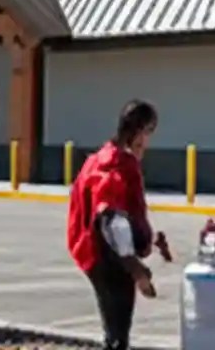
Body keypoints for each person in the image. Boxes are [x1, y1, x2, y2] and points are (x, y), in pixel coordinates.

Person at [67, 99, 172, 350]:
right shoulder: (119, 165)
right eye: (148, 132)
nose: (148, 141)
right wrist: (135, 268)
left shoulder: (99, 158)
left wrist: (149, 239)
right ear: (139, 131)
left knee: (113, 330)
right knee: (118, 335)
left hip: (93, 252)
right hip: (109, 257)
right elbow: (112, 218)